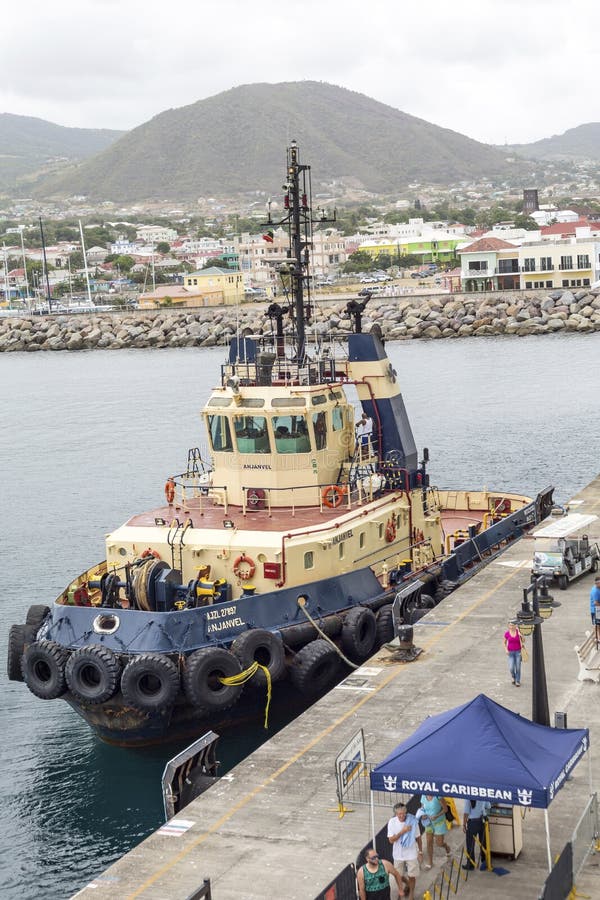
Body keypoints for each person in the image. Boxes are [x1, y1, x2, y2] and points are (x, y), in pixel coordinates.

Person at [387, 802, 422, 900]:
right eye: (399, 814)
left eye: (403, 813)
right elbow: (391, 840)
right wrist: (402, 832)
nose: (402, 816)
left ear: (406, 812)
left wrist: (420, 852)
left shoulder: (412, 821)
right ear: (395, 814)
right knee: (398, 875)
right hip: (398, 854)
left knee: (412, 876)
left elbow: (418, 838)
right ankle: (404, 887)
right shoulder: (392, 822)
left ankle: (411, 895)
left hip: (411, 853)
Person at [418, 794, 451, 869]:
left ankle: (446, 847)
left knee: (439, 843)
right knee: (429, 842)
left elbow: (445, 809)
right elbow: (422, 808)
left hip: (439, 822)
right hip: (428, 823)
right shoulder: (423, 795)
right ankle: (430, 862)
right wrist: (423, 815)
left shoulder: (438, 796)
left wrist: (437, 816)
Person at [462, 799, 491, 870]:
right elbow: (489, 806)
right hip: (483, 821)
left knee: (470, 844)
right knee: (483, 842)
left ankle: (471, 865)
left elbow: (466, 813)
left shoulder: (468, 797)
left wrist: (464, 824)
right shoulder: (483, 794)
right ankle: (485, 862)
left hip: (472, 823)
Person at [504, 620, 524, 686]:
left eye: (513, 625)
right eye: (510, 625)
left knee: (518, 667)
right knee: (511, 668)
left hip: (518, 652)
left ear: (515, 626)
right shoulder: (507, 633)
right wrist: (506, 650)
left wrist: (521, 636)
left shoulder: (518, 632)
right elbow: (504, 642)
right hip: (511, 653)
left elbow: (523, 641)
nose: (511, 627)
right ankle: (514, 677)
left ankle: (517, 681)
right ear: (508, 626)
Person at [589, 576, 600, 642]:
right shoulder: (595, 591)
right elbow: (596, 603)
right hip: (595, 610)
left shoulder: (599, 588)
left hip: (598, 608)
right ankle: (597, 638)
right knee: (597, 624)